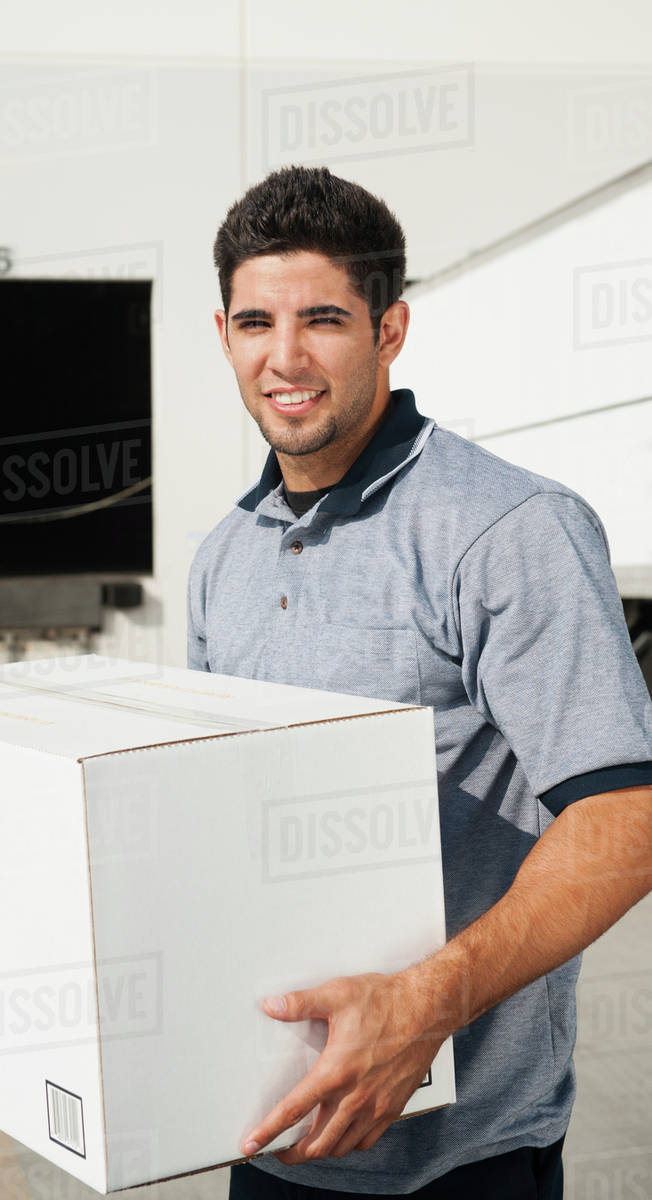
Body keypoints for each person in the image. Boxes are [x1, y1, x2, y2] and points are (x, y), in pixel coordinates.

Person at [185, 165, 652, 1198]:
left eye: (324, 319)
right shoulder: (224, 556)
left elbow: (626, 820)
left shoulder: (506, 529)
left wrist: (425, 1005)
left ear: (390, 330)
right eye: (256, 321)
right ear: (223, 335)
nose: (286, 356)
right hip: (270, 1135)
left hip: (459, 1159)